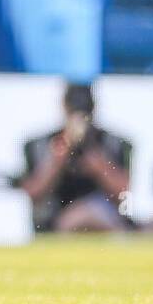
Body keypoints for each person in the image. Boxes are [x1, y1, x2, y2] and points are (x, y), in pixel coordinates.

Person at [21, 82, 133, 232]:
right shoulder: (41, 145)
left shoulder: (112, 143)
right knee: (79, 217)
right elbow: (32, 193)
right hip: (57, 220)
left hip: (106, 217)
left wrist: (100, 165)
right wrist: (58, 159)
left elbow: (124, 194)